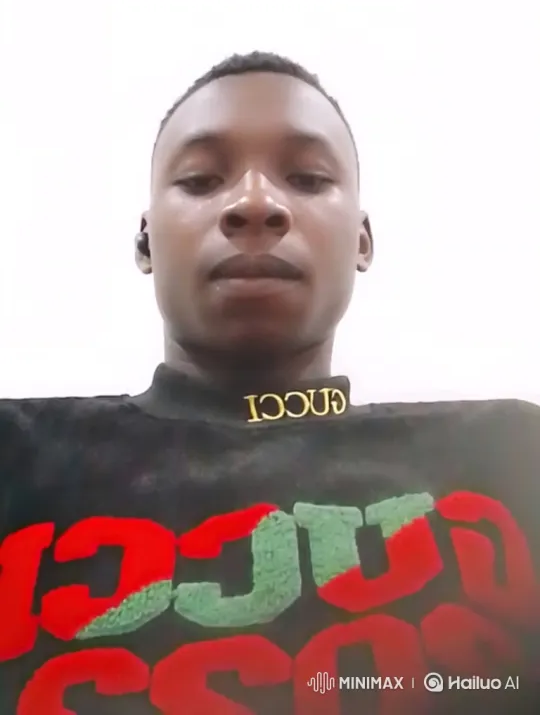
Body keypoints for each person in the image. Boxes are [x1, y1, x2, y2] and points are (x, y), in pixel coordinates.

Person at [0, 51, 538, 715]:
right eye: (201, 180)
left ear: (362, 239)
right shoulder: (16, 456)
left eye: (308, 177)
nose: (255, 202)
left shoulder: (513, 456)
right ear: (145, 240)